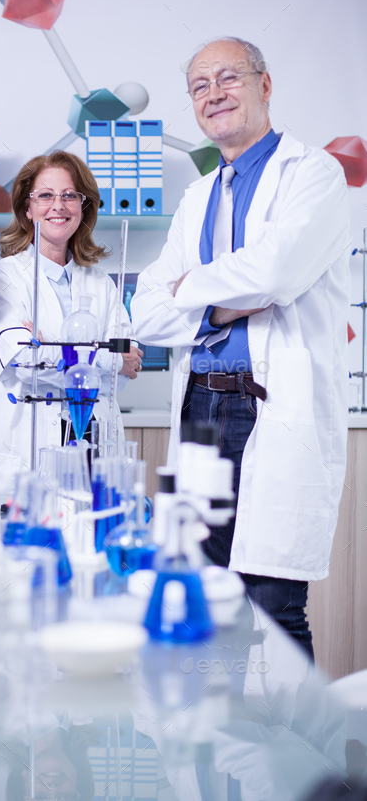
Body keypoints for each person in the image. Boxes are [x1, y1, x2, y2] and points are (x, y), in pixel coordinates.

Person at [132, 36, 350, 657]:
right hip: (201, 408)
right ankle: (215, 753)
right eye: (200, 86)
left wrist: (190, 293)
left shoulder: (313, 174)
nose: (213, 94)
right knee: (203, 598)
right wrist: (226, 298)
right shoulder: (198, 195)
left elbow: (277, 273)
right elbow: (146, 312)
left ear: (264, 85)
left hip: (270, 406)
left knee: (273, 604)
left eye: (228, 78)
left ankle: (292, 755)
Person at [0, 151, 142, 553]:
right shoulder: (3, 278)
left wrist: (48, 345)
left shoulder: (101, 283)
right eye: (45, 195)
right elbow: (21, 360)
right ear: (27, 207)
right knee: (10, 597)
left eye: (70, 196)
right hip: (22, 450)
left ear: (84, 207)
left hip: (92, 451)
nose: (58, 206)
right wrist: (104, 357)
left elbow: (131, 358)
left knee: (88, 586)